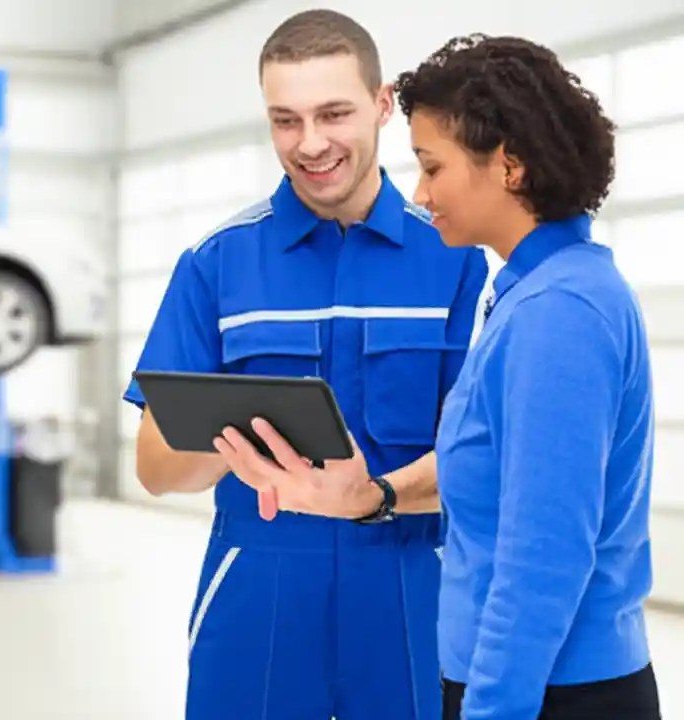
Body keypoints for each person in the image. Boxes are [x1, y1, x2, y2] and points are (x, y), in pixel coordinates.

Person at [220, 34, 661, 719]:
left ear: (509, 166)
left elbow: (543, 557)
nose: (422, 193)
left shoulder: (558, 313)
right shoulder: (534, 293)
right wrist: (372, 496)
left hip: (547, 692)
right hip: (523, 682)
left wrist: (491, 711)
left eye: (433, 167)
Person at [122, 10, 488, 720]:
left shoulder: (456, 258)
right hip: (257, 583)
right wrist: (236, 443)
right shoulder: (216, 263)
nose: (311, 143)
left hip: (412, 586)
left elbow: (479, 459)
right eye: (285, 120)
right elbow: (155, 468)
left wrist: (374, 494)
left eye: (334, 113)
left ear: (383, 105)